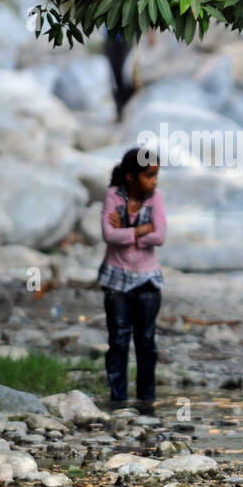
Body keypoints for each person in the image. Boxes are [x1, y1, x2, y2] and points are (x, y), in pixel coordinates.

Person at [99, 148, 166, 406]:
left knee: (146, 340)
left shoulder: (156, 198)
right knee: (118, 339)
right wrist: (141, 231)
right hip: (116, 278)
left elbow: (160, 236)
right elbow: (108, 235)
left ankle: (146, 398)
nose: (154, 181)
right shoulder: (113, 196)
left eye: (156, 175)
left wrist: (126, 232)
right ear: (130, 176)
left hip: (148, 279)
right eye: (149, 175)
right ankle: (118, 399)